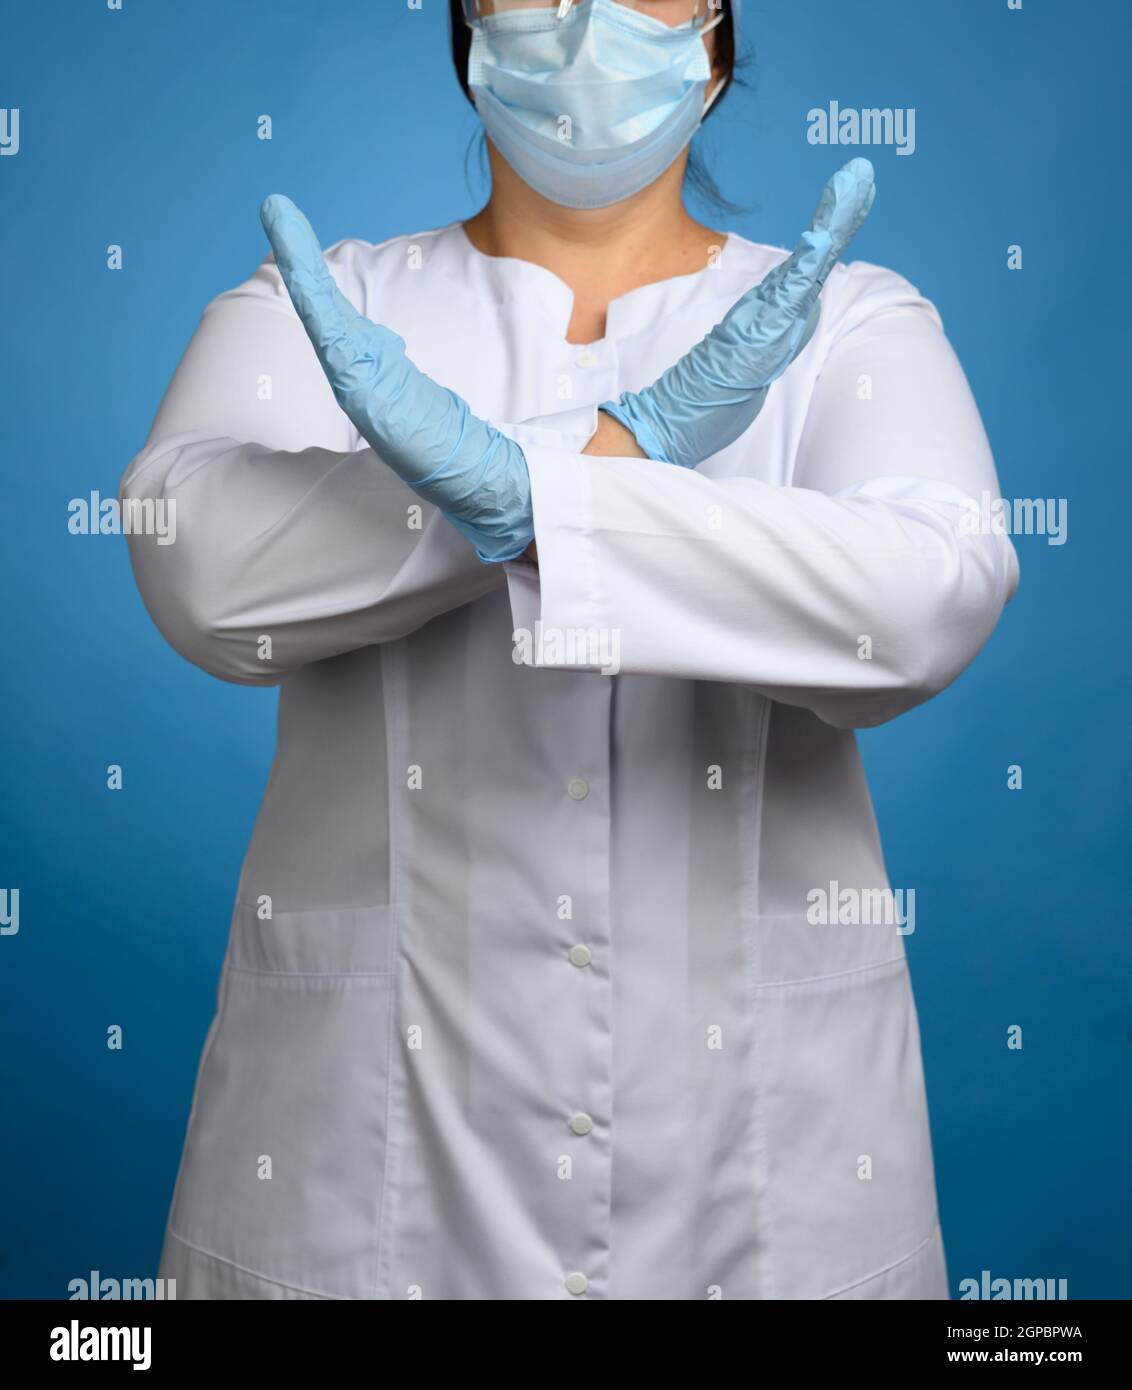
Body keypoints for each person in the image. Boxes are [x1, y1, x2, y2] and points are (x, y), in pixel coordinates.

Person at [120, 0, 1019, 1300]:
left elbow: (932, 591)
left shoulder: (844, 320)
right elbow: (196, 560)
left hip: (760, 1179)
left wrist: (521, 490)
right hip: (355, 1181)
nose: (589, 20)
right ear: (465, 25)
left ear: (713, 33)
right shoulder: (326, 303)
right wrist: (620, 456)